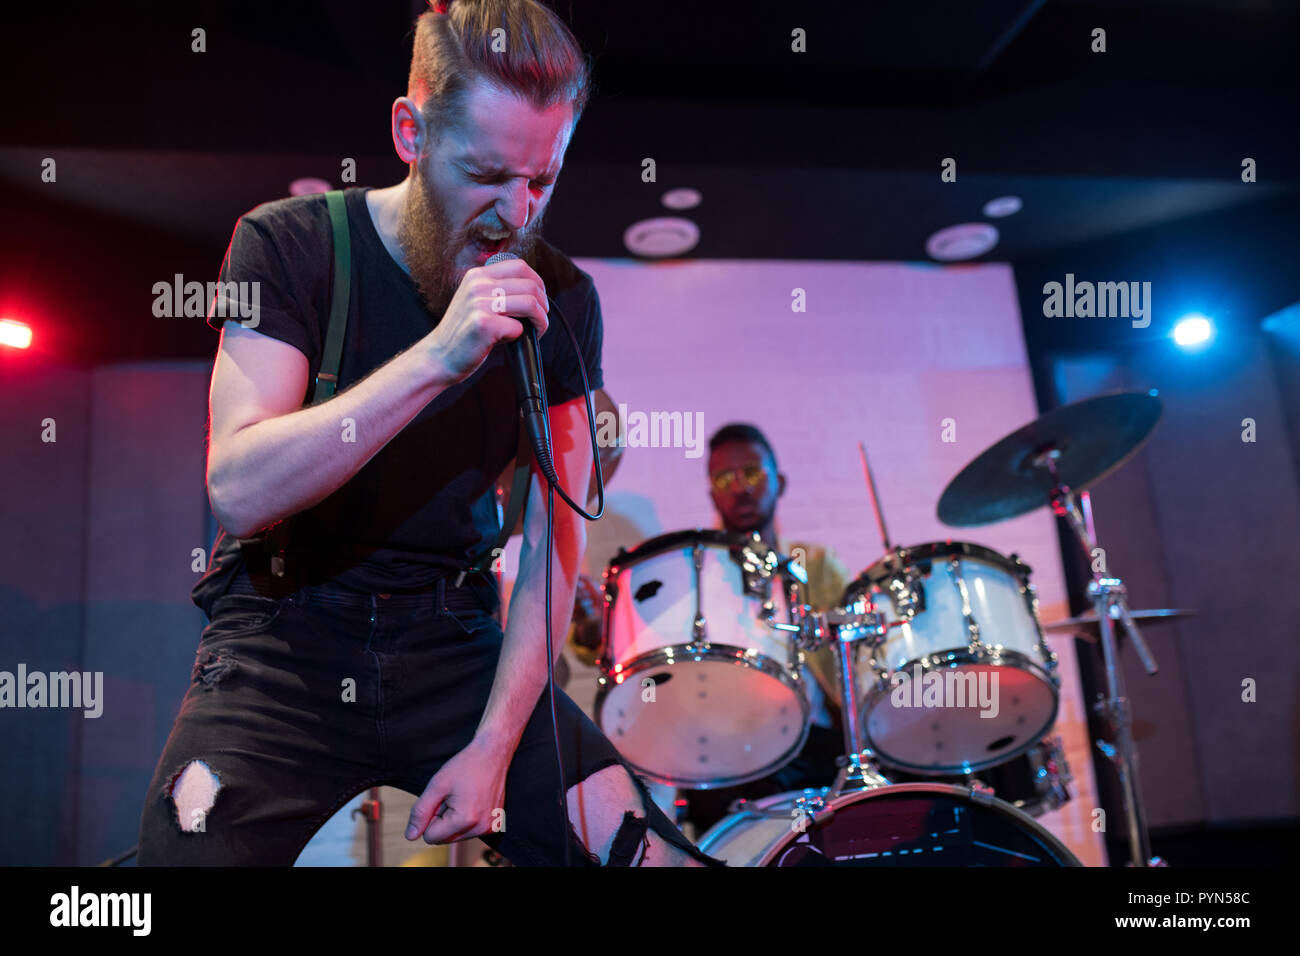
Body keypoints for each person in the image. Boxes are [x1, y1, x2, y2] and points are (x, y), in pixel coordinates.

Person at [137, 0, 720, 867]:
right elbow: (240, 486)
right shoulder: (292, 245)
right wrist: (436, 360)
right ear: (411, 133)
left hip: (454, 642)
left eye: (542, 179)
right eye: (486, 174)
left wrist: (491, 747)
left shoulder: (563, 298)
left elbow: (554, 549)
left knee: (636, 848)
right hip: (283, 639)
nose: (514, 213)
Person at [681, 423, 854, 835]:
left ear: (780, 481)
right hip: (728, 752)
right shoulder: (693, 578)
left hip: (815, 749)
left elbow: (859, 657)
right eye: (725, 478)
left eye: (753, 473)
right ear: (712, 495)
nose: (741, 487)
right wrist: (592, 630)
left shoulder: (817, 565)